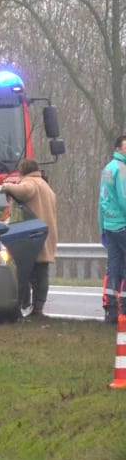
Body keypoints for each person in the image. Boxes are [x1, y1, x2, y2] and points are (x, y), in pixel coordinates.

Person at [0, 158, 58, 318]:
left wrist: (7, 186)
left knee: (27, 274)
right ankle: (38, 307)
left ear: (23, 171)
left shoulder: (31, 183)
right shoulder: (45, 185)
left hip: (34, 237)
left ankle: (27, 307)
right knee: (41, 273)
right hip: (45, 234)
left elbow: (23, 191)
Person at [100, 136, 126, 323]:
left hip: (110, 225)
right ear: (118, 148)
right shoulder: (122, 169)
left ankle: (110, 308)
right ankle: (123, 308)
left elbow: (103, 200)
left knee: (113, 266)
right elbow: (124, 198)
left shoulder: (108, 168)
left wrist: (103, 226)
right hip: (122, 224)